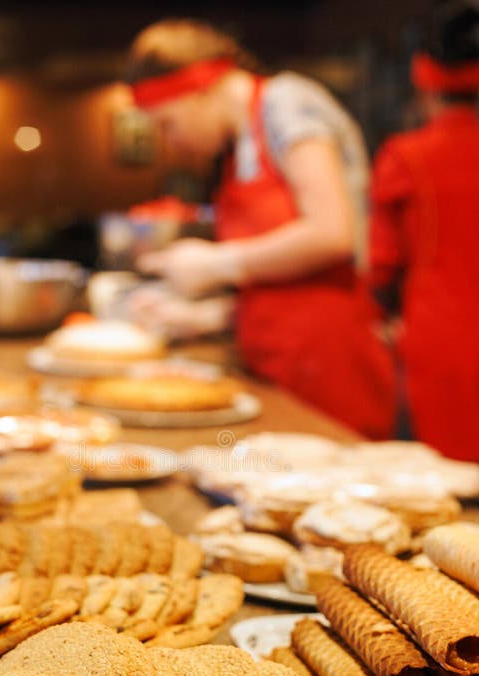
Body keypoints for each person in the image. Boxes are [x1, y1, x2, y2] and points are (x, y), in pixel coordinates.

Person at [124, 18, 396, 439]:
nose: (171, 142)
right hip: (275, 364)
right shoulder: (239, 145)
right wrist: (207, 317)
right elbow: (276, 279)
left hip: (330, 365)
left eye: (167, 123)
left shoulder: (286, 103)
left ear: (198, 90)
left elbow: (332, 232)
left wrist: (218, 264)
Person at [368, 1, 479, 461]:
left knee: (453, 494)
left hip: (444, 341)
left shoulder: (408, 156)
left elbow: (381, 263)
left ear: (425, 83)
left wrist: (382, 309)